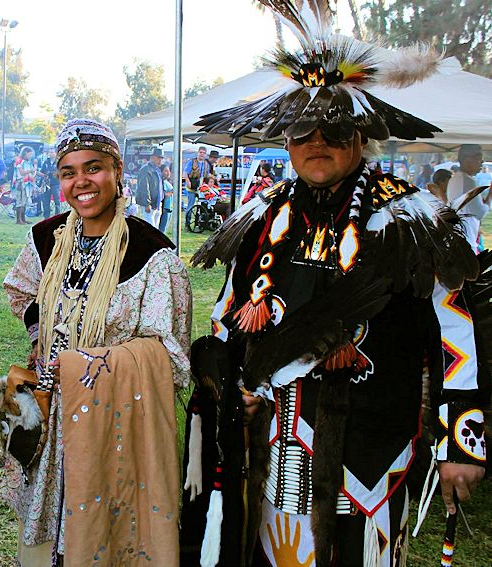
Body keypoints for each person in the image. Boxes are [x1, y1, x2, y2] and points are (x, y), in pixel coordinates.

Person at [184, 5, 486, 566]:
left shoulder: (411, 219)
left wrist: (461, 445)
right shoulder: (261, 218)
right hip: (273, 445)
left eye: (336, 129)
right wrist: (233, 387)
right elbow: (228, 316)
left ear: (362, 134)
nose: (316, 141)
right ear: (286, 138)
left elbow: (456, 337)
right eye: (302, 129)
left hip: (369, 447)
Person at [0, 118, 192, 566]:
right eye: (69, 172)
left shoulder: (152, 254)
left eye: (94, 167)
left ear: (118, 170)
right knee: (49, 542)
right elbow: (22, 290)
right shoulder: (46, 239)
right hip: (51, 415)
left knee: (101, 537)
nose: (81, 182)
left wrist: (84, 367)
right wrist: (41, 341)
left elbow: (170, 358)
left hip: (113, 423)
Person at [446, 144, 489, 250]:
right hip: (466, 238)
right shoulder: (468, 181)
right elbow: (480, 212)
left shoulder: (456, 178)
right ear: (467, 160)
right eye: (479, 159)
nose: (482, 162)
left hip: (459, 235)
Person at [135, 147, 164, 227]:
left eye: (161, 158)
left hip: (157, 203)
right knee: (151, 228)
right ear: (152, 157)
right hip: (149, 204)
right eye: (158, 158)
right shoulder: (146, 169)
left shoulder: (157, 170)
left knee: (155, 228)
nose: (160, 160)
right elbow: (144, 188)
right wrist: (147, 203)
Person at [183, 146, 217, 211]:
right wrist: (188, 182)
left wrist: (214, 177)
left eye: (203, 153)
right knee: (191, 205)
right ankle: (188, 220)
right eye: (200, 152)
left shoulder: (206, 164)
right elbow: (185, 173)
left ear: (205, 155)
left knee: (204, 202)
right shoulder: (192, 162)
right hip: (191, 185)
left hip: (201, 186)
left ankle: (200, 218)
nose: (202, 154)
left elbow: (207, 175)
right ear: (198, 153)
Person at [13, 146, 37, 225]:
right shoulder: (19, 161)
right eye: (29, 154)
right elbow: (22, 173)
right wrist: (31, 170)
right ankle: (18, 220)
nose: (30, 156)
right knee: (19, 201)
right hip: (20, 183)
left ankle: (23, 219)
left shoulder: (28, 162)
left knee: (24, 202)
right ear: (25, 153)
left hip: (27, 184)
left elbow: (33, 172)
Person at [39, 148, 61, 218]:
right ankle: (46, 217)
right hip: (46, 184)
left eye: (52, 152)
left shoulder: (59, 162)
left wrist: (53, 174)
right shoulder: (46, 162)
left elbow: (61, 172)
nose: (50, 154)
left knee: (57, 201)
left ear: (55, 153)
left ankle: (57, 217)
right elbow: (42, 171)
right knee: (46, 202)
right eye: (49, 152)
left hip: (56, 184)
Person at [158, 162, 175, 233]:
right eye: (165, 171)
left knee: (165, 228)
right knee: (162, 229)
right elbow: (163, 194)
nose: (168, 173)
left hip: (169, 208)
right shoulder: (161, 182)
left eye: (169, 171)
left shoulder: (167, 182)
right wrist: (172, 191)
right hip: (165, 208)